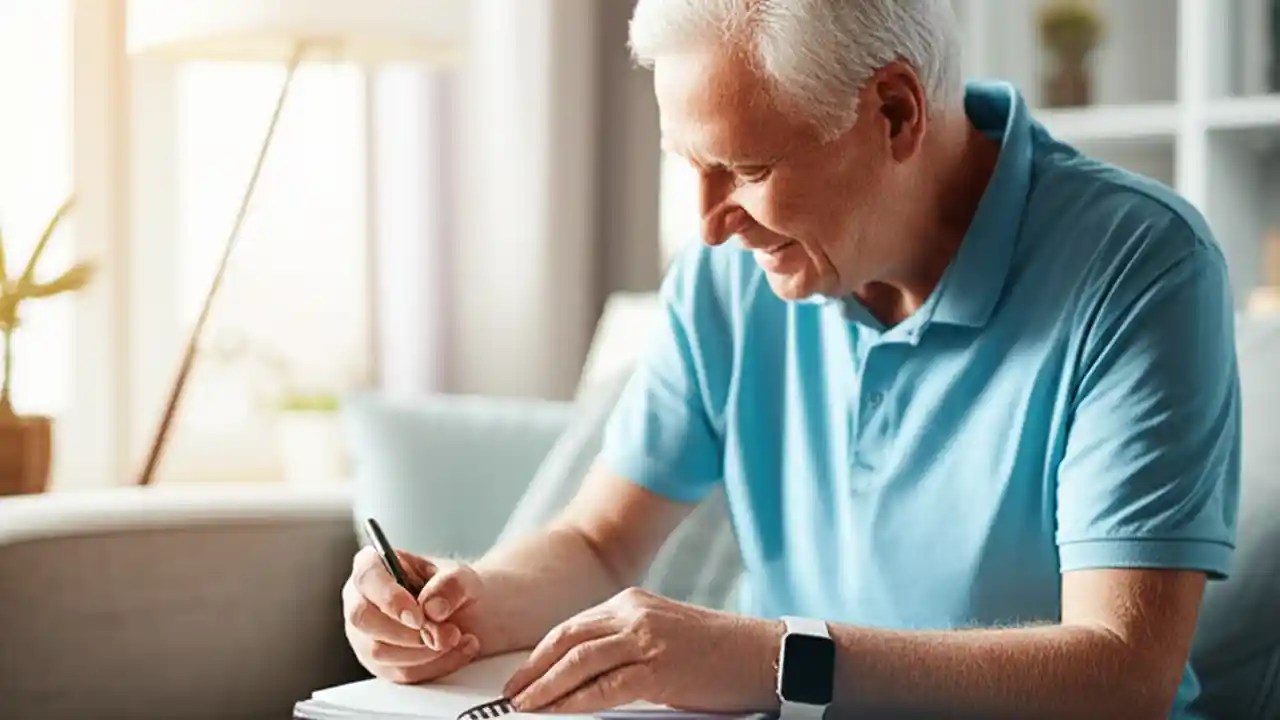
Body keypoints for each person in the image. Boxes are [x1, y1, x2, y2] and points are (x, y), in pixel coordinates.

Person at [342, 1, 1240, 717]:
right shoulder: (729, 277)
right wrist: (463, 604)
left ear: (895, 112)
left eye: (744, 166)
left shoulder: (1138, 265)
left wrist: (770, 658)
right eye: (687, 165)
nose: (707, 223)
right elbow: (598, 542)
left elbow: (1125, 675)